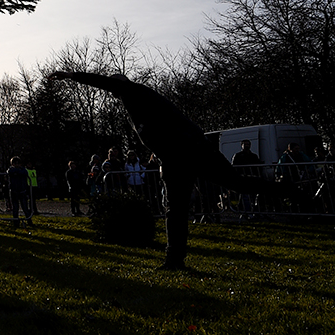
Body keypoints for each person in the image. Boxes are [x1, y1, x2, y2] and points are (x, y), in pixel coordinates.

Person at [49, 71, 301, 270]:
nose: (115, 93)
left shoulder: (136, 92)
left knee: (230, 186)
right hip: (177, 156)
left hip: (192, 151)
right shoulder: (136, 105)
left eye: (115, 88)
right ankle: (174, 260)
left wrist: (72, 76)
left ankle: (289, 190)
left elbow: (107, 83)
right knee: (177, 209)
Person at [231, 140, 263, 216]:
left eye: (248, 144)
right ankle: (248, 211)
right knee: (245, 195)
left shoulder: (253, 156)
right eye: (245, 144)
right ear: (241, 145)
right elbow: (234, 166)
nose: (247, 146)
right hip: (243, 177)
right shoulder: (238, 156)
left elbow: (257, 166)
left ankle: (254, 211)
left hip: (253, 177)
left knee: (253, 196)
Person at [7, 157, 33, 228]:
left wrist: (17, 172)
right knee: (15, 208)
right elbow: (10, 172)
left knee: (25, 207)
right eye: (15, 163)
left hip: (22, 191)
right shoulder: (11, 170)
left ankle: (29, 221)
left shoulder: (22, 170)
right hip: (14, 191)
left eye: (18, 163)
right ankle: (16, 222)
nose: (17, 165)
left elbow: (25, 172)